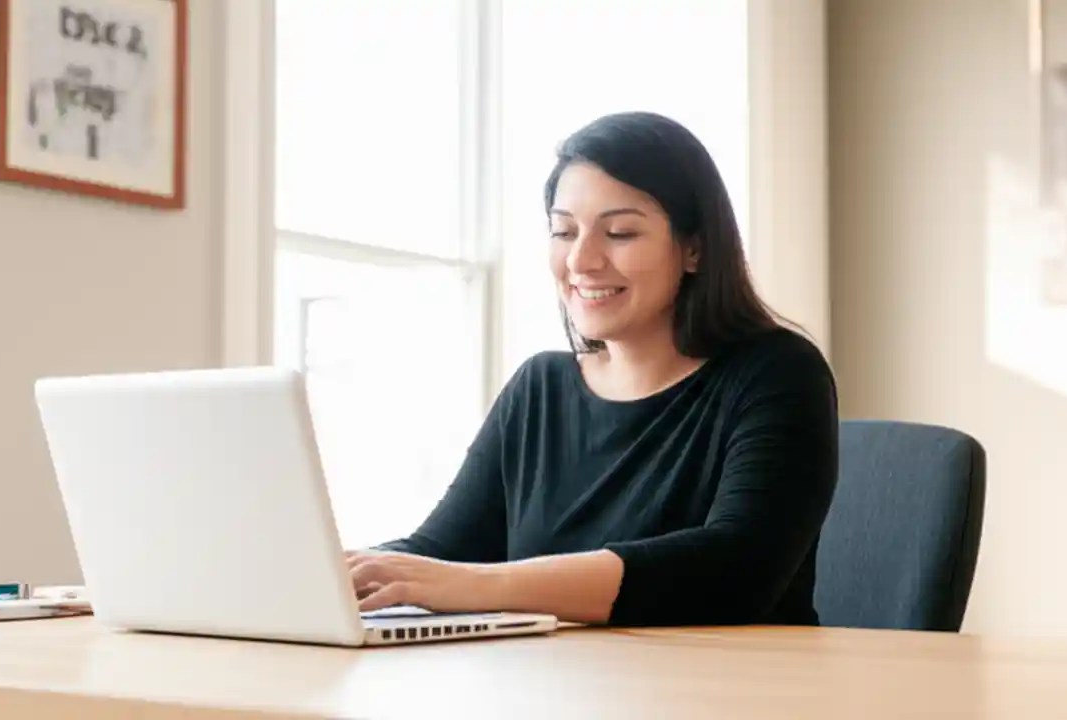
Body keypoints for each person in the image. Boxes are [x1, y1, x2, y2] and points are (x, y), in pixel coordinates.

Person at [346, 111, 838, 627]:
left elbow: (737, 570)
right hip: (558, 692)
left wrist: (476, 584)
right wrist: (342, 573)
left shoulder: (778, 373)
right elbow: (441, 551)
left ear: (694, 247)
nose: (581, 260)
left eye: (620, 232)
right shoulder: (539, 388)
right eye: (563, 231)